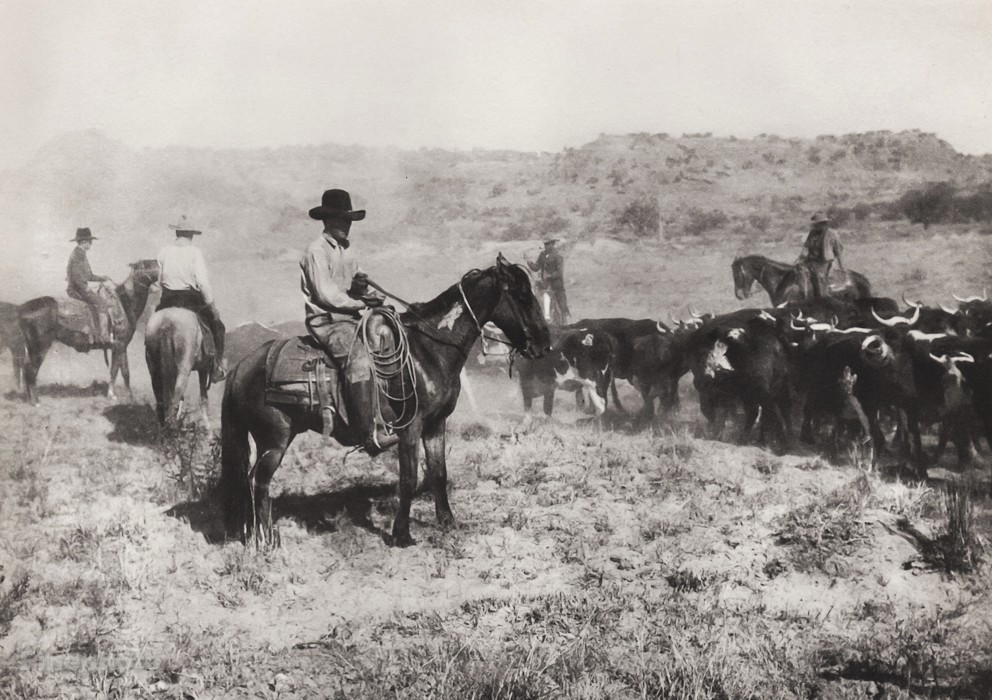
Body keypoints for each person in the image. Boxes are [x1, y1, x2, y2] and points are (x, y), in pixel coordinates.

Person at [300, 188, 398, 454]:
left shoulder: (348, 250)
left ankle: (392, 414)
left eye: (349, 220)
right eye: (341, 219)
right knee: (360, 358)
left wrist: (368, 292)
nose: (346, 225)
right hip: (327, 322)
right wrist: (361, 303)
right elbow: (326, 294)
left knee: (389, 341)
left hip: (351, 318)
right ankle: (369, 432)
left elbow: (357, 282)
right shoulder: (315, 251)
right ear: (327, 220)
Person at [156, 216, 227, 383]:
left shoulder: (163, 252)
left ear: (177, 233)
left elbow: (159, 281)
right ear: (191, 235)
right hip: (189, 300)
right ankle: (216, 368)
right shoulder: (195, 252)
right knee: (218, 327)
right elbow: (202, 283)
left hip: (167, 300)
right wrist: (211, 305)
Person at [66, 227, 112, 343]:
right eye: (90, 241)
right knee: (102, 303)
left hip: (79, 288)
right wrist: (86, 288)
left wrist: (102, 278)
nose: (91, 244)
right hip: (78, 290)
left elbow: (89, 275)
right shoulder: (78, 255)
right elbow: (76, 277)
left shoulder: (81, 254)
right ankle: (104, 337)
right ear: (83, 242)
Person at [796, 212, 845, 298]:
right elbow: (806, 247)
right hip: (811, 260)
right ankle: (803, 295)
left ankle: (822, 298)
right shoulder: (812, 233)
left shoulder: (832, 234)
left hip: (824, 262)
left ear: (824, 224)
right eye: (816, 224)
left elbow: (838, 250)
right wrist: (800, 258)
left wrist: (841, 266)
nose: (817, 226)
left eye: (819, 224)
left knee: (819, 279)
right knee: (799, 271)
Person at [527, 238, 569, 323]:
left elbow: (559, 272)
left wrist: (549, 276)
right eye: (545, 244)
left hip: (556, 283)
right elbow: (536, 267)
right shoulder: (542, 255)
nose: (546, 246)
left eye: (548, 244)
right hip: (545, 284)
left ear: (552, 244)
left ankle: (565, 319)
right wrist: (530, 263)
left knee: (561, 302)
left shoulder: (557, 256)